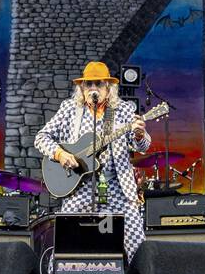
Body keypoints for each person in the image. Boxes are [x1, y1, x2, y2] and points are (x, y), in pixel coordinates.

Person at [34, 61, 150, 261]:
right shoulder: (70, 109)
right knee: (65, 245)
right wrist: (60, 154)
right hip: (80, 188)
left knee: (137, 246)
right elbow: (41, 138)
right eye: (89, 84)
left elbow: (141, 146)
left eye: (99, 84)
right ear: (81, 88)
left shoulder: (122, 110)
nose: (93, 89)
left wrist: (140, 135)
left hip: (117, 188)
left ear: (108, 88)